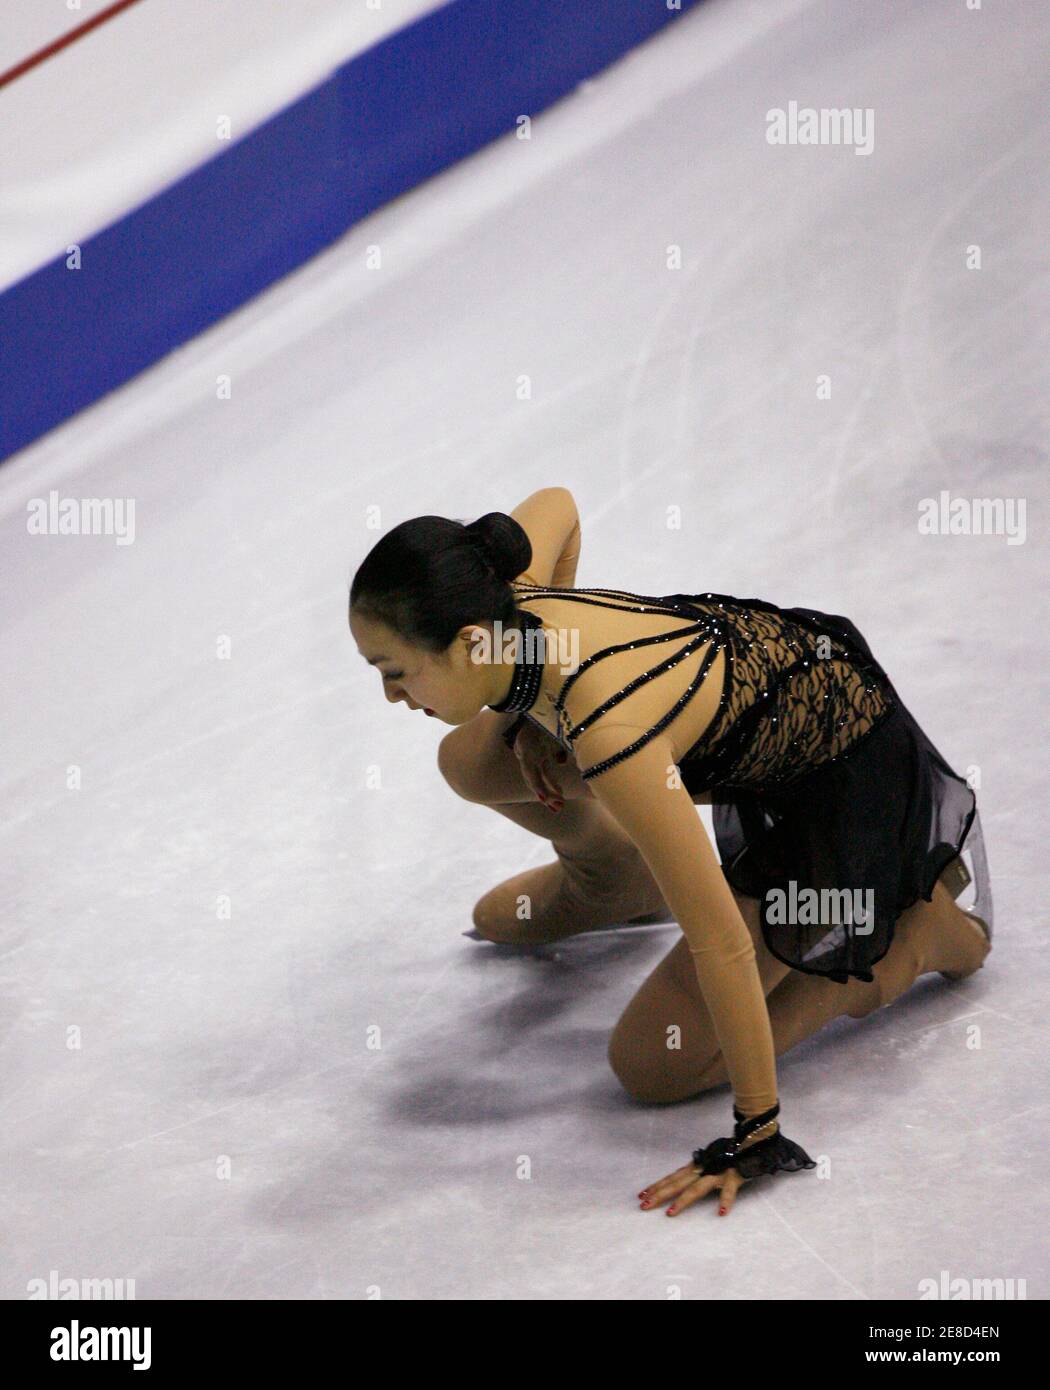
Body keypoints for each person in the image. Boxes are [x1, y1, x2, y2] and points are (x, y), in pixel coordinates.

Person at [348, 487, 993, 1218]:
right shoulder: (499, 588)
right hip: (740, 707)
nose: (390, 696)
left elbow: (720, 941)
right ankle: (614, 883)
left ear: (469, 643)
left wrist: (757, 1131)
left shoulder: (609, 731)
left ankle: (915, 936)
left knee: (653, 1063)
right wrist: (529, 718)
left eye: (395, 671)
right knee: (471, 760)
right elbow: (556, 506)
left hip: (838, 783)